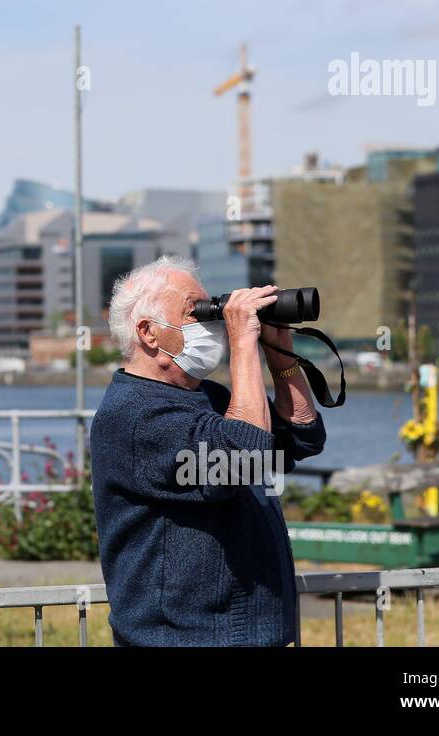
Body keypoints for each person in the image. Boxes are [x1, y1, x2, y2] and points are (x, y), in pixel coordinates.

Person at [90, 255, 326, 646]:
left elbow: (302, 435)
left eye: (210, 308)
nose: (214, 323)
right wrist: (243, 342)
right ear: (148, 332)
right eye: (196, 312)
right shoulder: (132, 416)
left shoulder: (210, 398)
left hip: (250, 637)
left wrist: (279, 350)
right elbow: (243, 459)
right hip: (183, 639)